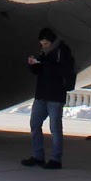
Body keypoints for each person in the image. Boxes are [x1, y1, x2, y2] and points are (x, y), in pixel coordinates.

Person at [21, 27, 74, 169]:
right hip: (42, 94)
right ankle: (37, 156)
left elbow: (63, 70)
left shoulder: (63, 51)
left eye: (45, 44)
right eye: (41, 44)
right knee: (34, 124)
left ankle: (56, 159)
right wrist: (33, 65)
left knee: (55, 128)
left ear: (52, 42)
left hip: (55, 96)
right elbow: (39, 71)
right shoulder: (43, 53)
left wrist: (44, 64)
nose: (43, 46)